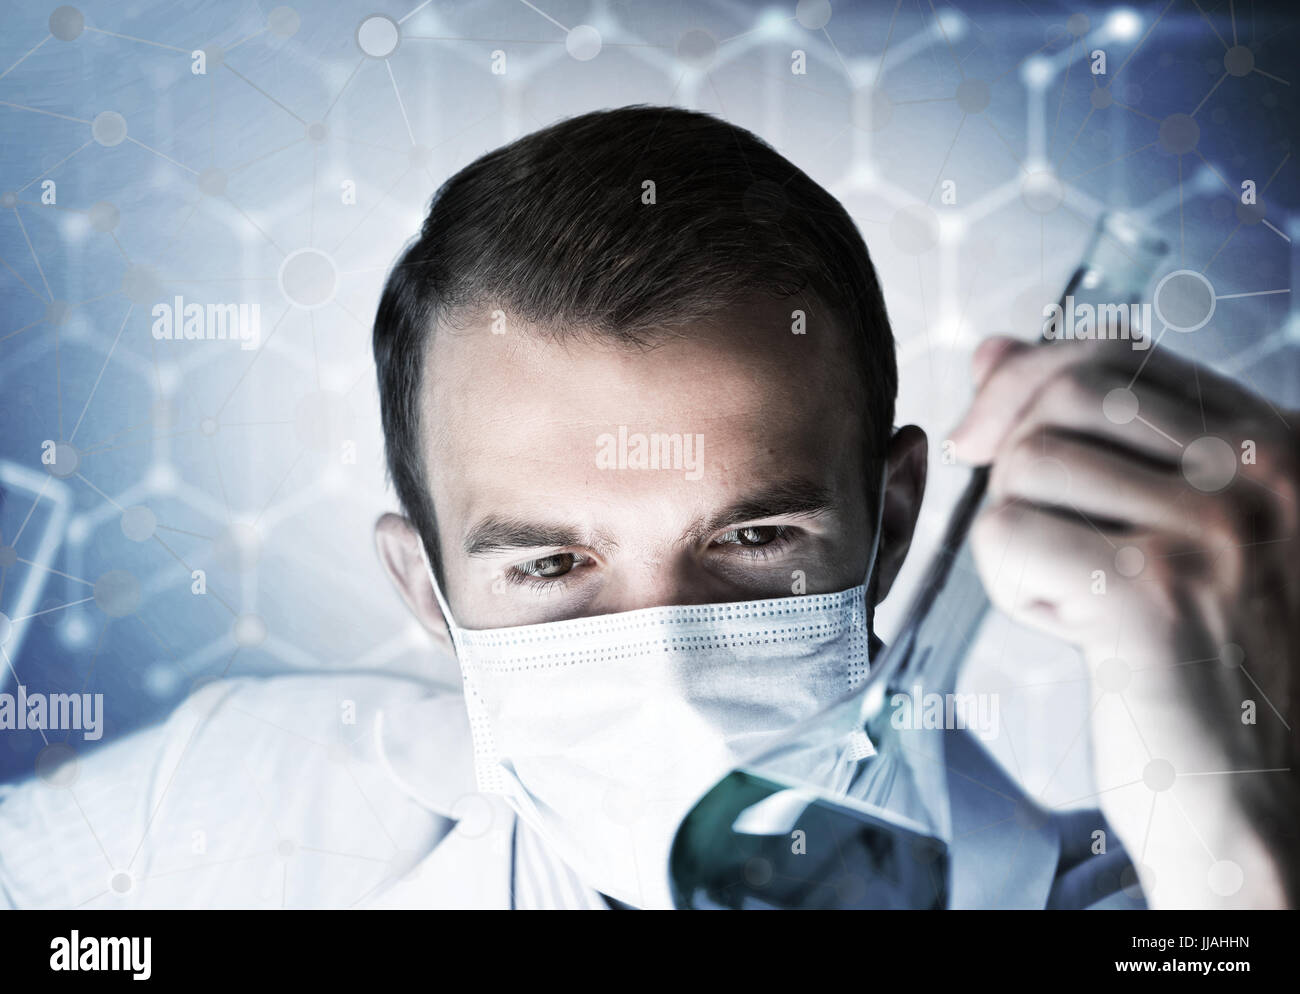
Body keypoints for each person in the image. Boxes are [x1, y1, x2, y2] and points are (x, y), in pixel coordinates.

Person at [1, 105, 1295, 910]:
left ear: (892, 525)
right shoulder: (233, 807)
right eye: (552, 565)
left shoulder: (1178, 903)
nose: (668, 659)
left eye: (751, 539)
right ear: (427, 590)